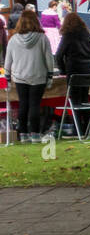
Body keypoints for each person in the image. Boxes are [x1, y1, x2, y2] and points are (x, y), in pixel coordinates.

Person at [3, 9, 55, 142]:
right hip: (38, 76)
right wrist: (50, 75)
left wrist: (7, 77)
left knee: (23, 104)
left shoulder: (13, 39)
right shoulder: (42, 38)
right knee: (35, 105)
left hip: (19, 76)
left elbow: (8, 60)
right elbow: (49, 59)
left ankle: (23, 134)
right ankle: (35, 134)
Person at [56, 11, 90, 136]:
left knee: (75, 101)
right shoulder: (87, 35)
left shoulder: (67, 36)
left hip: (73, 69)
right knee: (84, 100)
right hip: (86, 70)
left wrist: (62, 69)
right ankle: (87, 129)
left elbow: (58, 55)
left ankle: (78, 129)